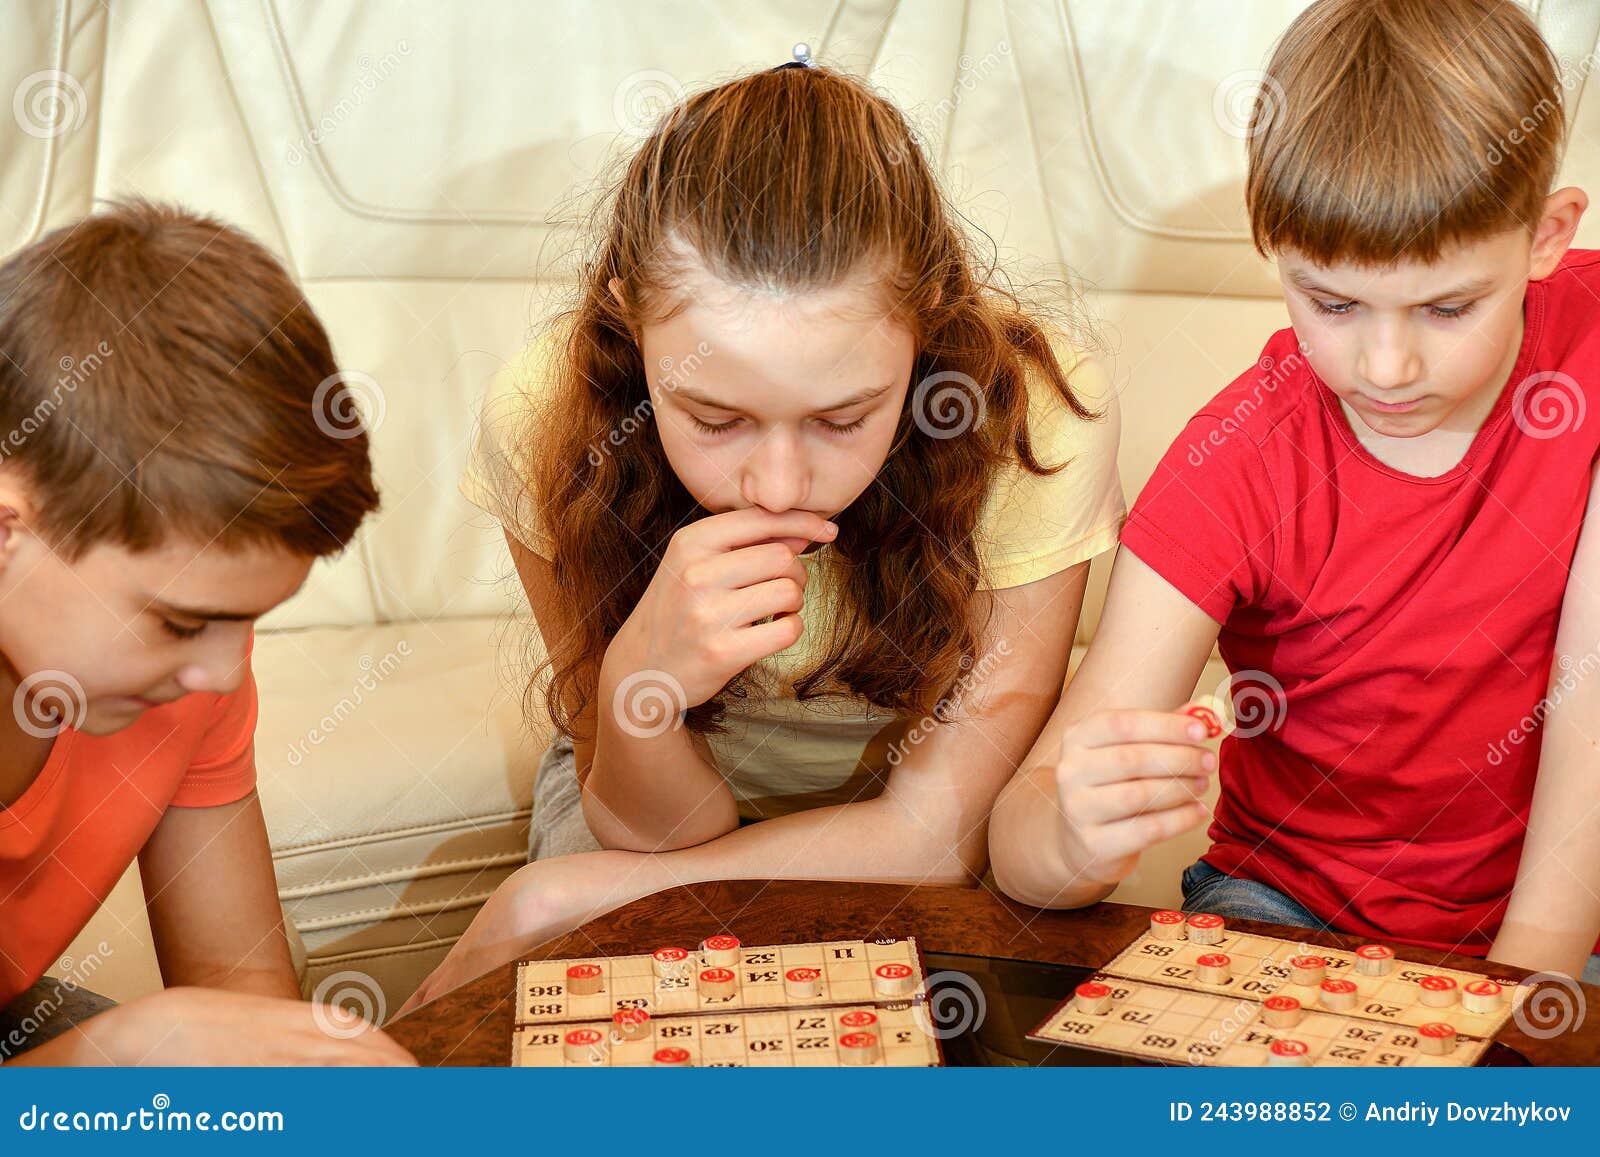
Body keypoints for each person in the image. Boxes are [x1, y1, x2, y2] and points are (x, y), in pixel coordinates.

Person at [404, 60, 1124, 1007]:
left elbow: (932, 838)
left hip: (908, 831)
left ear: (926, 329)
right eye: (713, 418)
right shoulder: (551, 409)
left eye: (843, 417)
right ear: (630, 321)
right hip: (648, 810)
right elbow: (650, 837)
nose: (777, 486)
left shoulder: (1026, 416)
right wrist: (642, 685)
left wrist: (550, 901)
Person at [988, 0, 1600, 986]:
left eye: (1447, 307)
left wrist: (1516, 1013)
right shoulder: (1234, 465)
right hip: (1290, 908)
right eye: (1332, 302)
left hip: (1566, 916)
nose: (1388, 364)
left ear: (1547, 234)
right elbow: (1021, 830)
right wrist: (1067, 831)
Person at [0, 201, 413, 1064]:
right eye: (182, 620)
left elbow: (237, 983)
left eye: (247, 621)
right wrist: (123, 1051)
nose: (224, 674)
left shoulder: (183, 674)